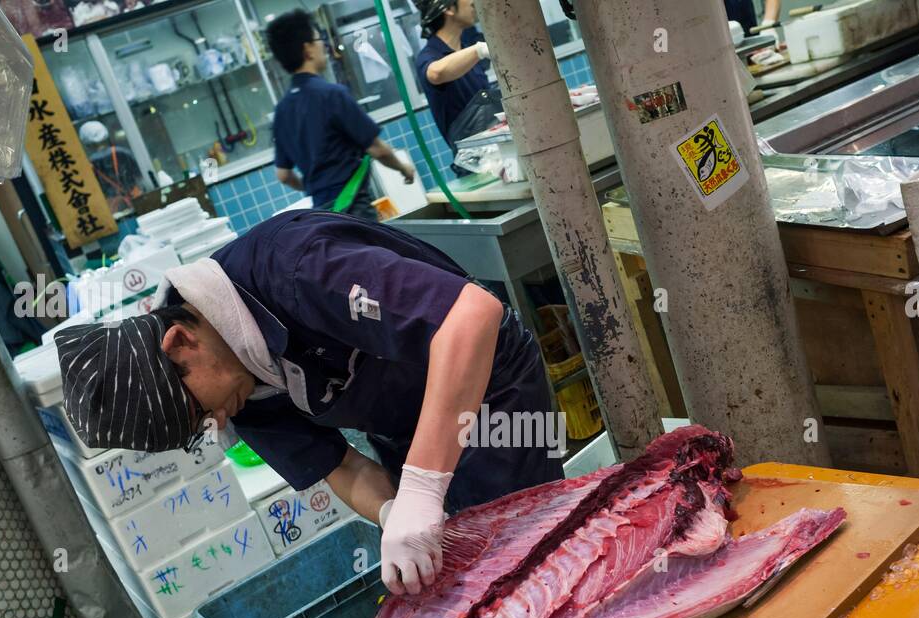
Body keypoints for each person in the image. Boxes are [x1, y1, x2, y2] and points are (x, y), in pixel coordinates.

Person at [55, 210, 565, 597]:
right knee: (469, 581)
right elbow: (337, 463)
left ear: (179, 343)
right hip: (408, 434)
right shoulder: (236, 383)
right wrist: (394, 512)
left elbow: (471, 315)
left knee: (531, 561)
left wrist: (423, 487)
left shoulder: (293, 267)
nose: (215, 423)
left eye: (198, 412)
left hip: (490, 396)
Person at [267, 10, 415, 221]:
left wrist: (313, 188)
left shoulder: (282, 110)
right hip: (354, 209)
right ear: (307, 49)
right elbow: (377, 149)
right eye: (319, 39)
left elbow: (283, 175)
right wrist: (404, 168)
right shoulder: (331, 94)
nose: (324, 46)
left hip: (321, 217)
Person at [413, 0, 495, 158]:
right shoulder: (430, 55)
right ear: (449, 8)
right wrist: (479, 50)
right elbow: (436, 73)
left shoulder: (466, 51)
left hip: (496, 153)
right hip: (473, 164)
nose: (472, 2)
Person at [79, 120, 144, 213]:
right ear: (106, 135)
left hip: (113, 208)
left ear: (86, 144)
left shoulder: (88, 166)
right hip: (137, 200)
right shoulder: (124, 152)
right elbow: (141, 178)